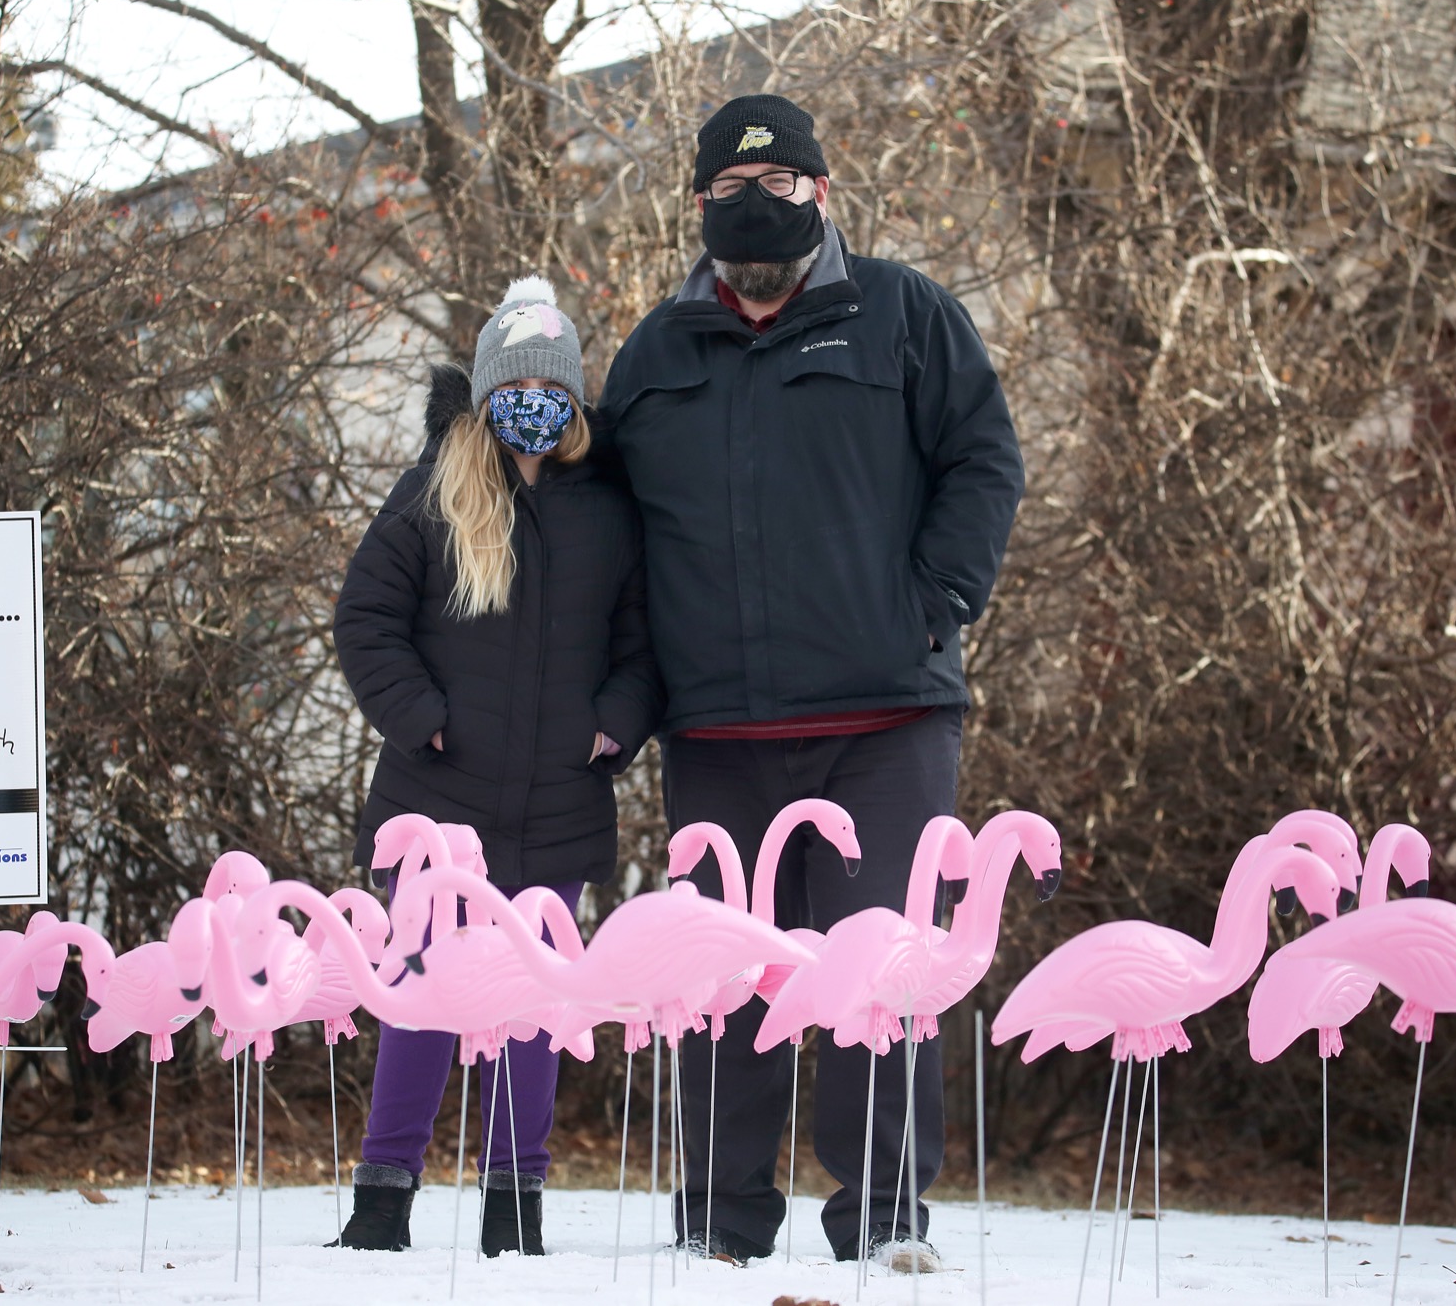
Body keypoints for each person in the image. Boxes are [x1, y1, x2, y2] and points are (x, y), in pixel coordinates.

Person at [596, 94, 1026, 1270]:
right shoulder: (653, 353)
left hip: (883, 722)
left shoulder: (902, 315)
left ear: (819, 194)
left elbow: (983, 459)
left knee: (878, 975)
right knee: (724, 983)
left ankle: (882, 1218)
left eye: (779, 186)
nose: (755, 206)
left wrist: (933, 598)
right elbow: (604, 529)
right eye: (731, 190)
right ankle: (717, 1225)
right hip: (718, 733)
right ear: (699, 206)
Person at [330, 276, 662, 1256]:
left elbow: (644, 647)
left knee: (534, 1009)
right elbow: (366, 621)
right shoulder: (435, 487)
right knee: (422, 998)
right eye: (511, 384)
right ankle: (382, 1198)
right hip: (436, 807)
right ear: (485, 393)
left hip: (558, 803)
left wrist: (614, 722)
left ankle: (514, 1210)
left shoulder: (608, 504)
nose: (530, 401)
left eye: (547, 386)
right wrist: (420, 719)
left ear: (571, 400)